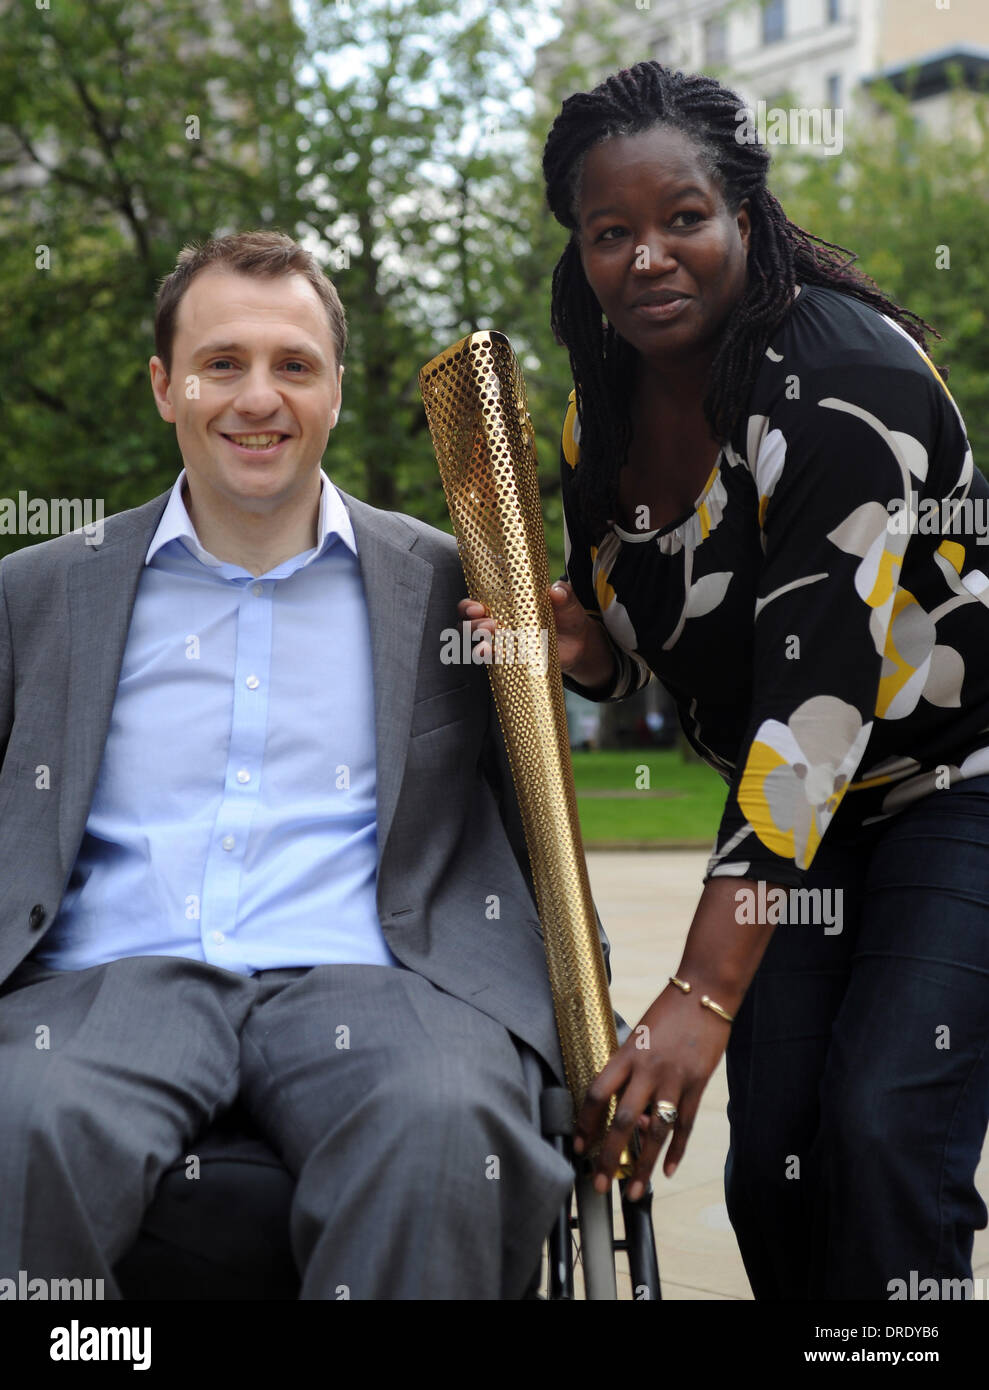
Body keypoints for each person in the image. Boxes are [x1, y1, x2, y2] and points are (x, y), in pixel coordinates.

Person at [464, 60, 989, 1301]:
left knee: (879, 1134)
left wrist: (698, 993)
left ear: (743, 218)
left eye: (681, 219)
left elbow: (811, 714)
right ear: (578, 250)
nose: (647, 256)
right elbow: (660, 641)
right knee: (777, 1177)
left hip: (955, 782)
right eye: (610, 232)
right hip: (800, 823)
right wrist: (581, 648)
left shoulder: (843, 382)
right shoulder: (601, 408)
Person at [0, 230, 574, 1301]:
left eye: (293, 365)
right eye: (223, 363)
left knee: (447, 1125)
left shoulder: (453, 582)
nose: (257, 397)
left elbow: (537, 817)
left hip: (378, 977)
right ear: (165, 385)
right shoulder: (36, 593)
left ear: (336, 392)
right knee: (19, 1124)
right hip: (107, 978)